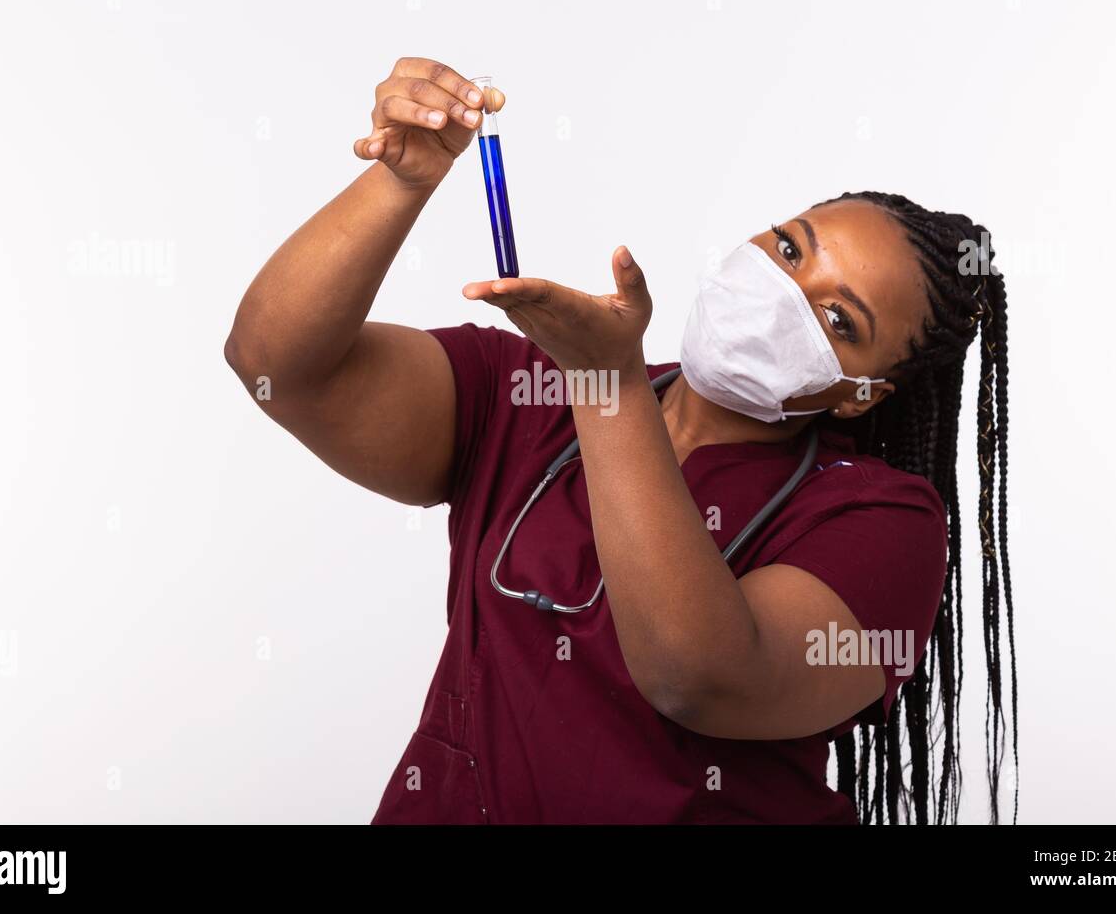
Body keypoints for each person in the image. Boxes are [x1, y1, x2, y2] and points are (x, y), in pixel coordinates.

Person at [224, 56, 1016, 825]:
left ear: (863, 397)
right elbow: (277, 366)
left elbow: (697, 677)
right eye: (788, 249)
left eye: (838, 321)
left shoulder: (884, 525)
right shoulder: (529, 393)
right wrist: (404, 181)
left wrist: (609, 385)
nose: (782, 297)